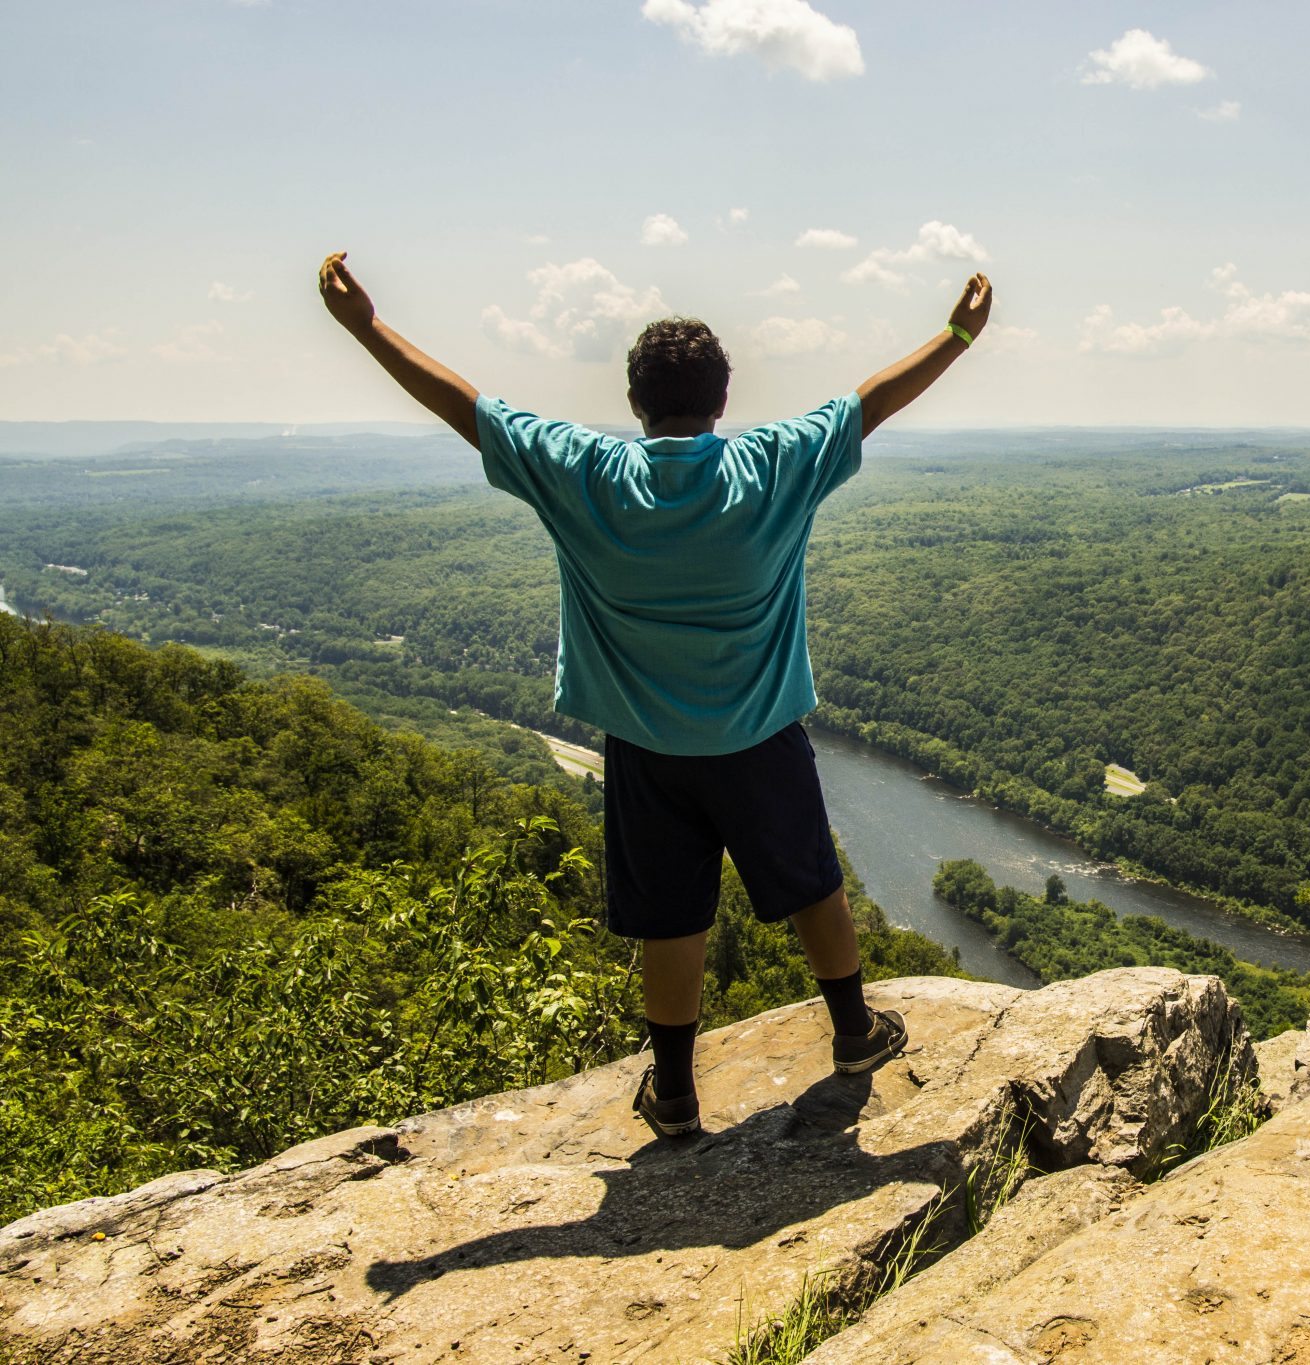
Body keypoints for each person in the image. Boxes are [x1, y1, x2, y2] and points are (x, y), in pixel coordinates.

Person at [317, 251, 995, 1138]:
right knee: (812, 886)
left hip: (647, 749)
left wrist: (365, 327)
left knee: (672, 917)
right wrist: (957, 335)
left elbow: (464, 407)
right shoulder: (774, 463)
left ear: (636, 402)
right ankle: (855, 1032)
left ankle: (673, 1092)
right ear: (721, 398)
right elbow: (875, 399)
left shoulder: (586, 472)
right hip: (760, 735)